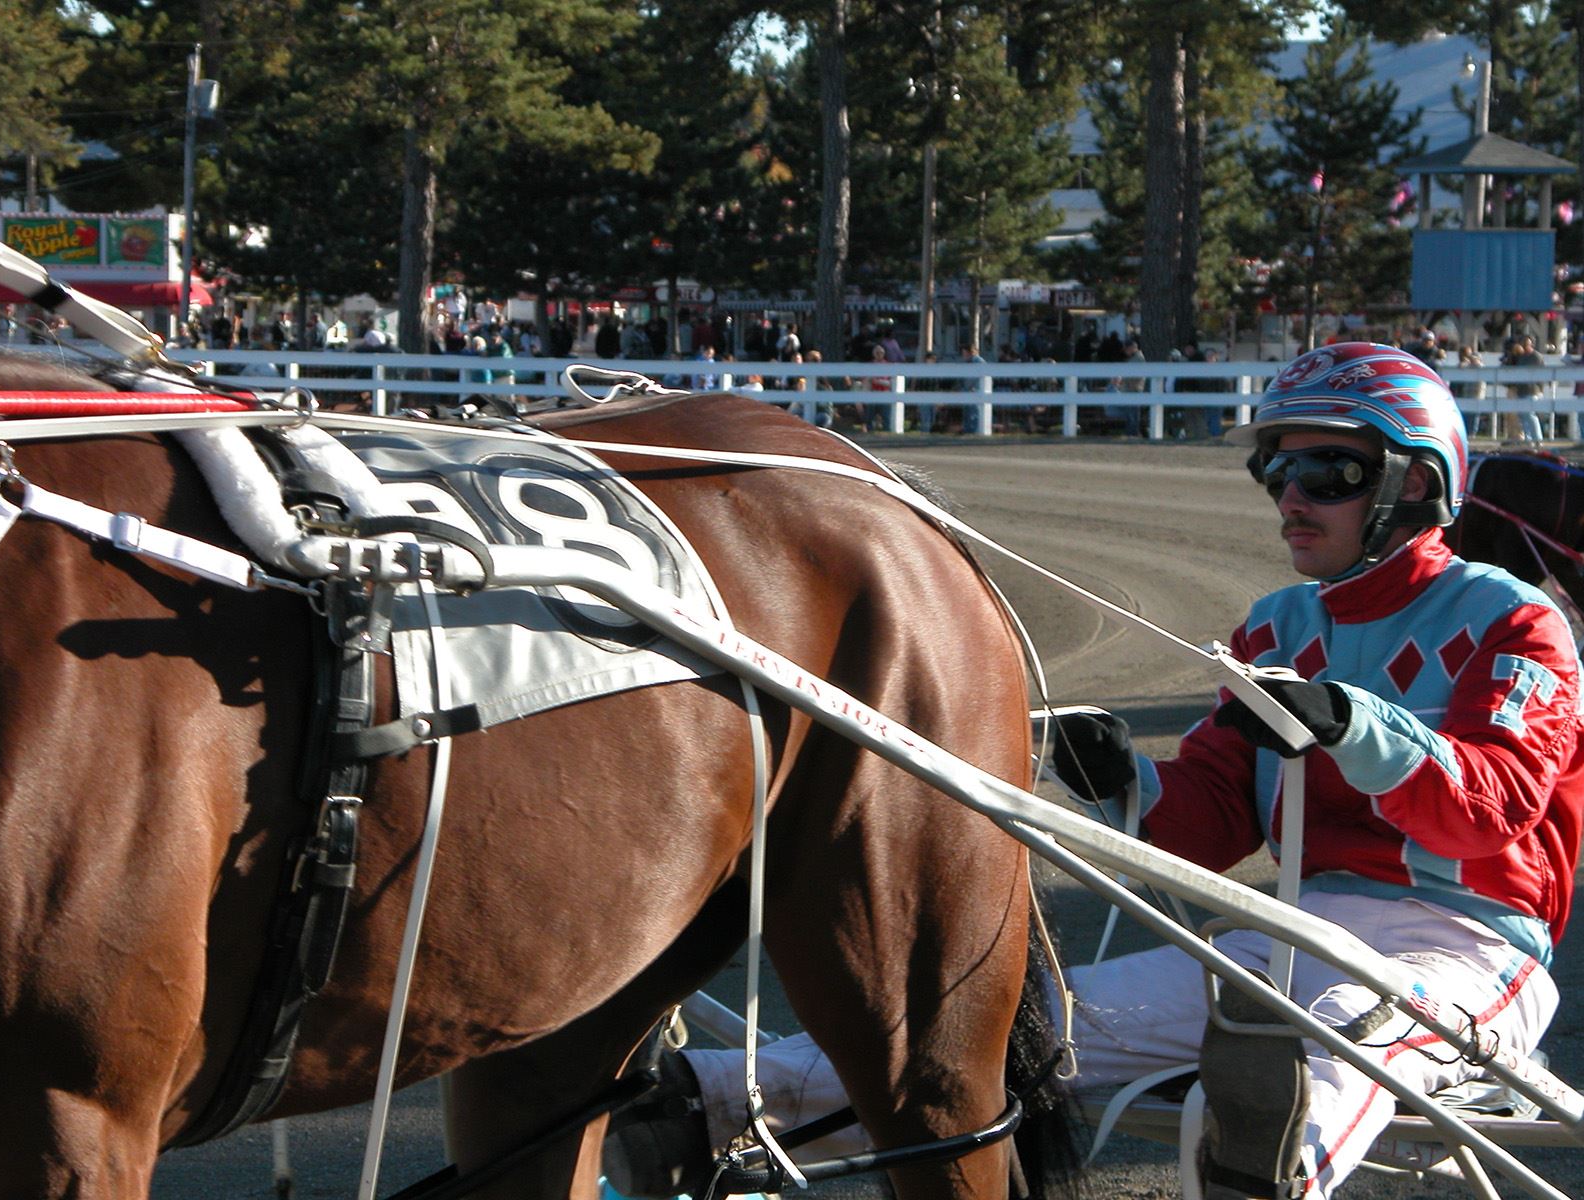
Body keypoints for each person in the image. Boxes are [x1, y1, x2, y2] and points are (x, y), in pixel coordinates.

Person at [604, 342, 1582, 1200]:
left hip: (1464, 948)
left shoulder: (1512, 621)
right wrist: (1123, 781)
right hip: (1286, 940)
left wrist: (1352, 722)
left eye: (1327, 470)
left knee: (1298, 1075)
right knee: (1022, 1039)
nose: (1289, 494)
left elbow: (1486, 816)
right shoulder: (1279, 626)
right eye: (1275, 466)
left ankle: (1265, 1152)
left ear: (1415, 484)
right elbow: (1208, 826)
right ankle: (715, 1099)